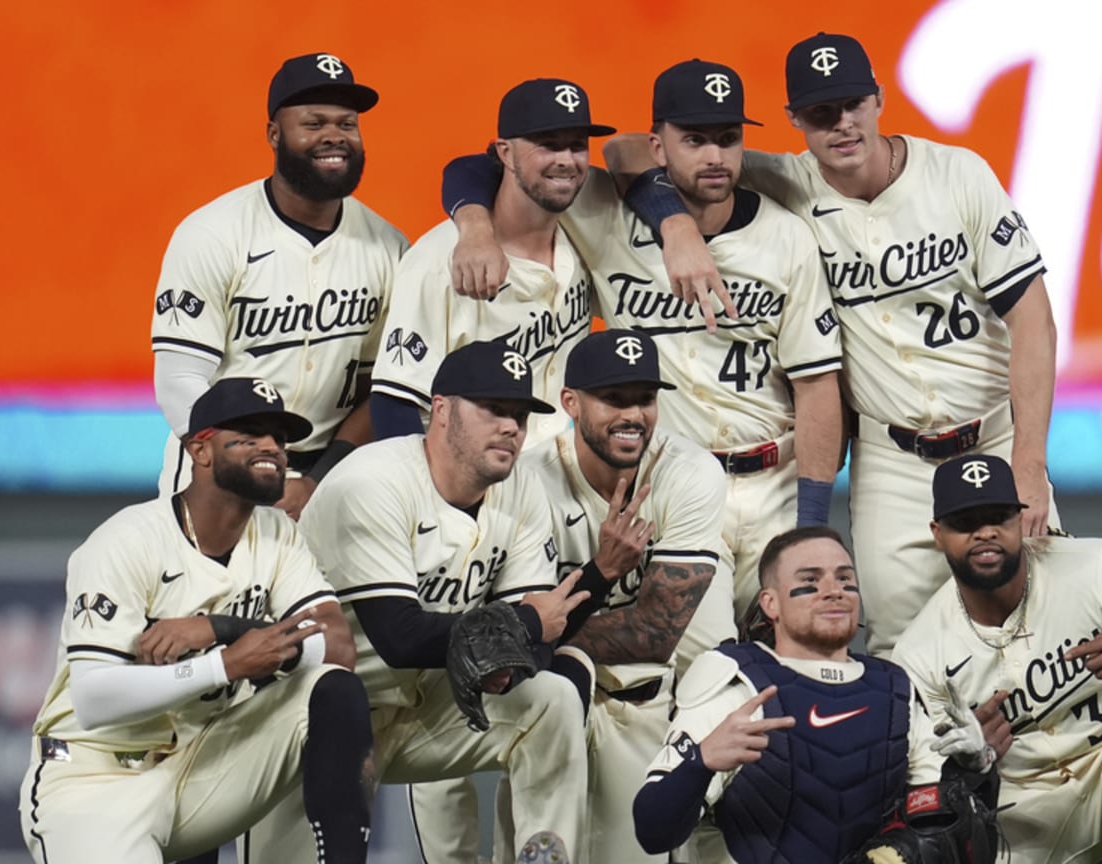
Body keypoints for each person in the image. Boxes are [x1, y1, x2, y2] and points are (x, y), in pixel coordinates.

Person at [605, 33, 1062, 656]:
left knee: (1041, 624)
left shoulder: (957, 175)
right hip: (891, 457)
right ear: (794, 120)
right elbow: (627, 149)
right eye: (821, 113)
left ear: (878, 100)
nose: (842, 124)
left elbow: (1033, 322)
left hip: (997, 434)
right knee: (900, 645)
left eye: (852, 104)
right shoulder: (784, 180)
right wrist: (676, 222)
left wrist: (1029, 463)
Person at [443, 59, 844, 614]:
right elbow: (480, 166)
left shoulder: (787, 236)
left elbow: (816, 385)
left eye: (728, 139)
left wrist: (812, 524)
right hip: (668, 482)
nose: (714, 156)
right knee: (695, 645)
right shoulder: (603, 212)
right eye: (694, 140)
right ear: (658, 146)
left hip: (773, 479)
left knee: (791, 640)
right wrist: (474, 227)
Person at [244, 340, 592, 864]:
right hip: (316, 715)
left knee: (552, 698)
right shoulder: (373, 480)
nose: (511, 428)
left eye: (520, 416)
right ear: (442, 410)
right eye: (493, 409)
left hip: (430, 707)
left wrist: (511, 661)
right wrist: (521, 624)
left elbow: (537, 640)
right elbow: (399, 637)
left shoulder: (520, 488)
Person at [18, 377, 373, 864]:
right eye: (249, 435)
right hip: (94, 778)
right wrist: (222, 665)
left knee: (331, 689)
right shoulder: (127, 540)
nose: (271, 447)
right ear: (200, 450)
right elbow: (94, 698)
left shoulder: (276, 535)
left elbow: (337, 647)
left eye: (278, 438)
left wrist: (221, 630)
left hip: (196, 765)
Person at [892, 454, 1102, 863]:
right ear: (938, 533)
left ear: (1020, 519)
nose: (985, 532)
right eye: (966, 522)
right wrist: (969, 770)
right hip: (1024, 822)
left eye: (998, 517)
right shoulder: (919, 654)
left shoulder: (1097, 566)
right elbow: (929, 802)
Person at [634, 525, 997, 863]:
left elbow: (960, 836)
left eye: (845, 578)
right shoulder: (735, 682)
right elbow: (653, 831)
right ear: (770, 603)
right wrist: (700, 763)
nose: (833, 590)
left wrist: (976, 771)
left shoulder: (894, 690)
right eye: (810, 580)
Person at [150, 52, 407, 517]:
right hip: (217, 469)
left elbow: (387, 387)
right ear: (274, 134)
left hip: (332, 477)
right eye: (313, 123)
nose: (334, 135)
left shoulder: (389, 248)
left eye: (347, 124)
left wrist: (317, 480)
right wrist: (247, 466)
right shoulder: (212, 234)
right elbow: (178, 379)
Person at [522, 329, 736, 863]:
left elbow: (655, 633)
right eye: (613, 399)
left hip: (641, 687)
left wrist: (536, 633)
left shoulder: (688, 471)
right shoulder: (526, 477)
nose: (633, 415)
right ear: (570, 402)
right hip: (552, 693)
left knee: (721, 667)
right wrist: (598, 576)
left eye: (644, 399)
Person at [369, 77, 606, 444]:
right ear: (505, 153)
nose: (565, 160)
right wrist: (424, 482)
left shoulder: (583, 231)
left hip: (559, 467)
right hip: (471, 469)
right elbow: (394, 402)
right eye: (548, 145)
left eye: (577, 146)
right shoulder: (437, 261)